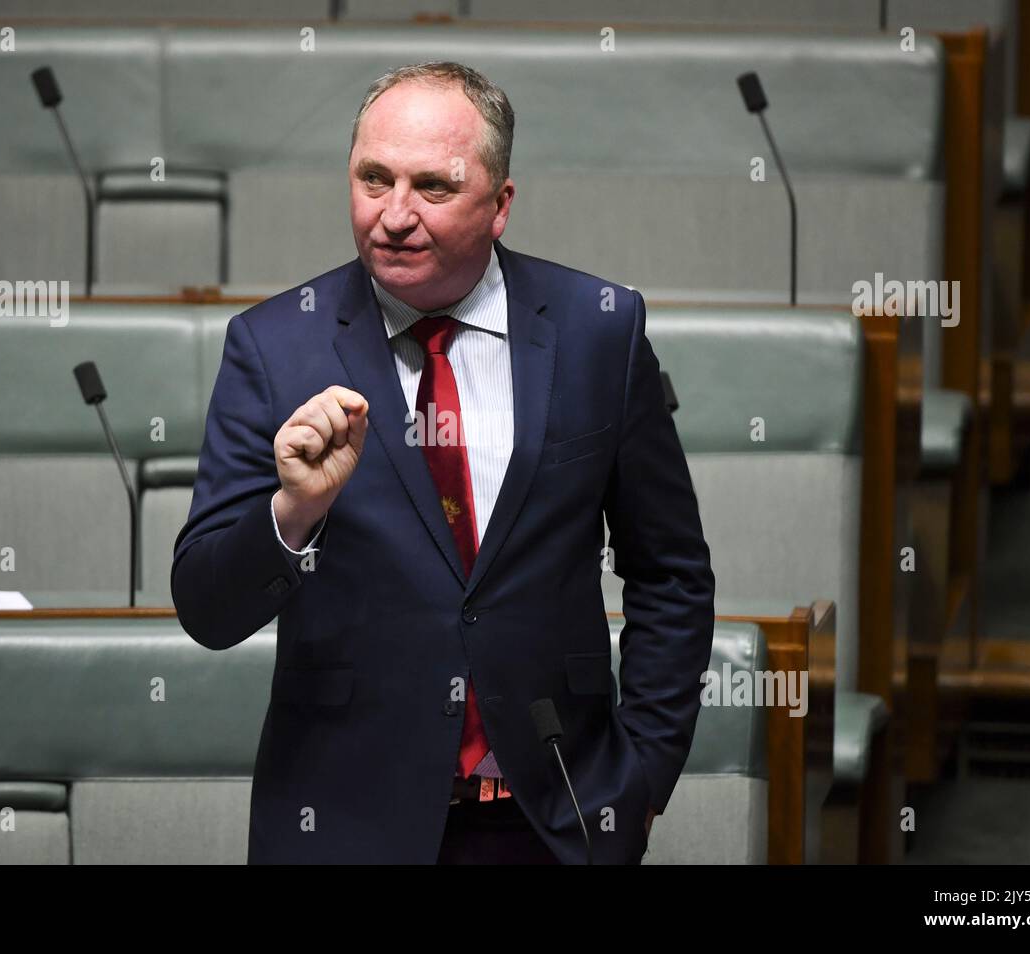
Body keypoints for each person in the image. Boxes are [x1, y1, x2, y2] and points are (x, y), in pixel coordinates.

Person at [172, 61, 715, 864]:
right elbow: (208, 610)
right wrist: (292, 518)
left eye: (432, 187)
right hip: (345, 827)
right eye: (373, 179)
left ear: (499, 205)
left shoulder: (598, 331)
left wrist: (641, 777)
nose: (394, 216)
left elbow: (669, 570)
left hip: (554, 821)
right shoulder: (275, 346)